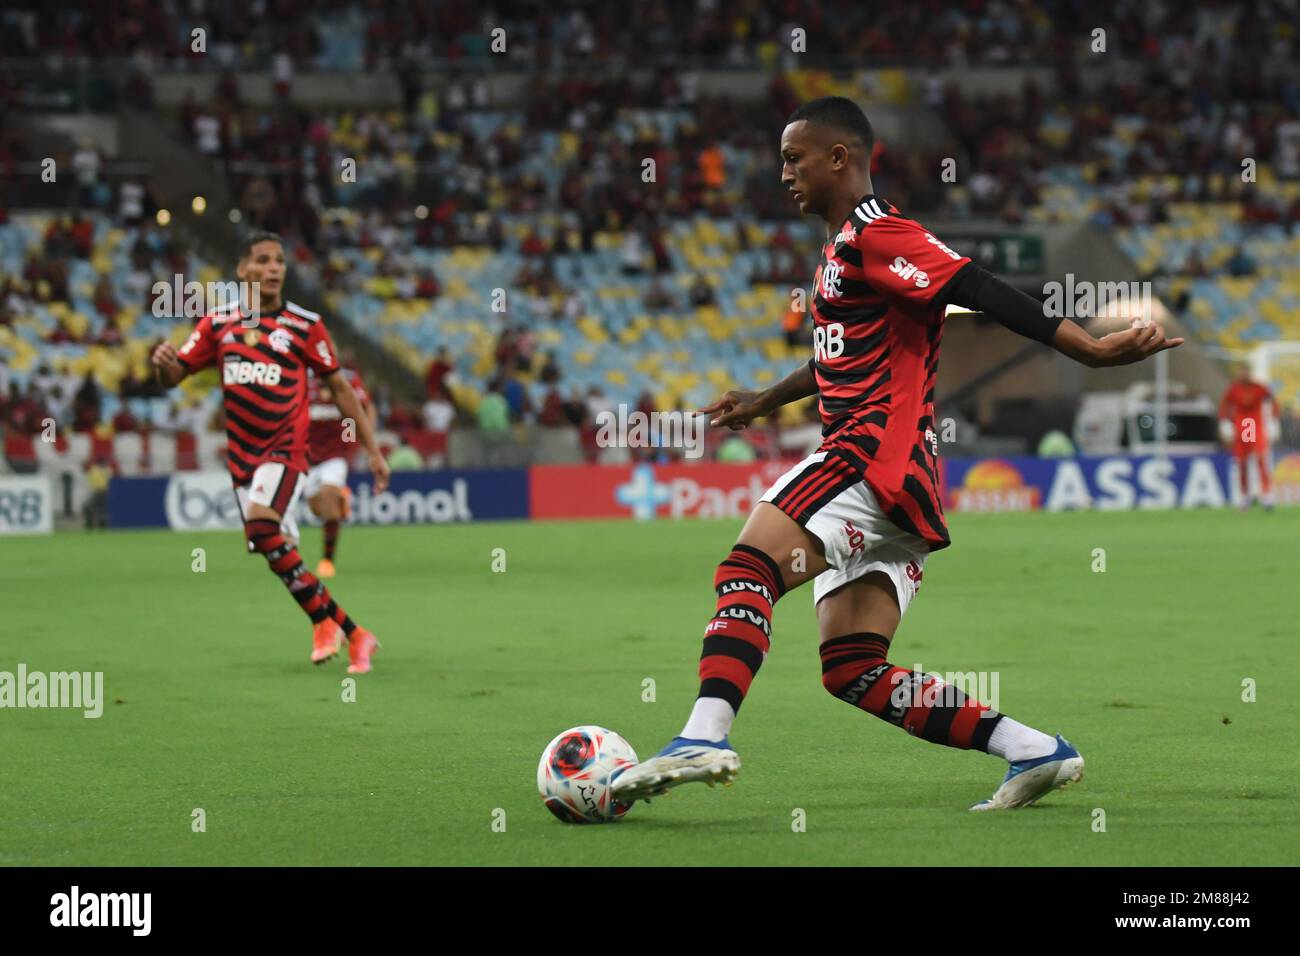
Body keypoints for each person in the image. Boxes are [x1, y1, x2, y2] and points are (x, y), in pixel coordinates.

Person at [612, 97, 1184, 812]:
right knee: (851, 666)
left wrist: (1090, 349)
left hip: (867, 459)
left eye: (795, 158)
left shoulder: (880, 234)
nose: (784, 172)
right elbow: (840, 358)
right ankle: (1032, 749)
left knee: (748, 566)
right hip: (904, 485)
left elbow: (975, 286)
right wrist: (765, 399)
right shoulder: (840, 253)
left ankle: (704, 734)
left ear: (839, 158)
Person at [150, 232, 391, 673]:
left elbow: (340, 387)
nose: (274, 267)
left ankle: (340, 629)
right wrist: (164, 365)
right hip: (242, 460)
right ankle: (340, 627)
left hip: (286, 451)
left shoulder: (305, 325)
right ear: (243, 270)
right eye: (263, 260)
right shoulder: (217, 325)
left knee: (263, 524)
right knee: (273, 547)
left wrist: (372, 449)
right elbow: (174, 377)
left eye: (279, 260)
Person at [304, 356, 377, 580]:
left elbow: (367, 407)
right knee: (318, 508)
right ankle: (341, 499)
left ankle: (327, 561)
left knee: (328, 495)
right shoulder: (302, 381)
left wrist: (367, 439)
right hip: (308, 454)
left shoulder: (348, 381)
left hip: (338, 452)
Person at [1219, 365, 1279, 510]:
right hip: (1242, 430)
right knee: (1242, 463)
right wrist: (1224, 423)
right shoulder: (1234, 389)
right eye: (1241, 371)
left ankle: (1266, 495)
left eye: (1246, 371)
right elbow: (1224, 406)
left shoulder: (1259, 388)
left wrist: (1274, 421)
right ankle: (1244, 496)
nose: (1244, 374)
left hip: (1255, 428)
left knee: (1261, 460)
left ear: (1250, 372)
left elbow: (1273, 402)